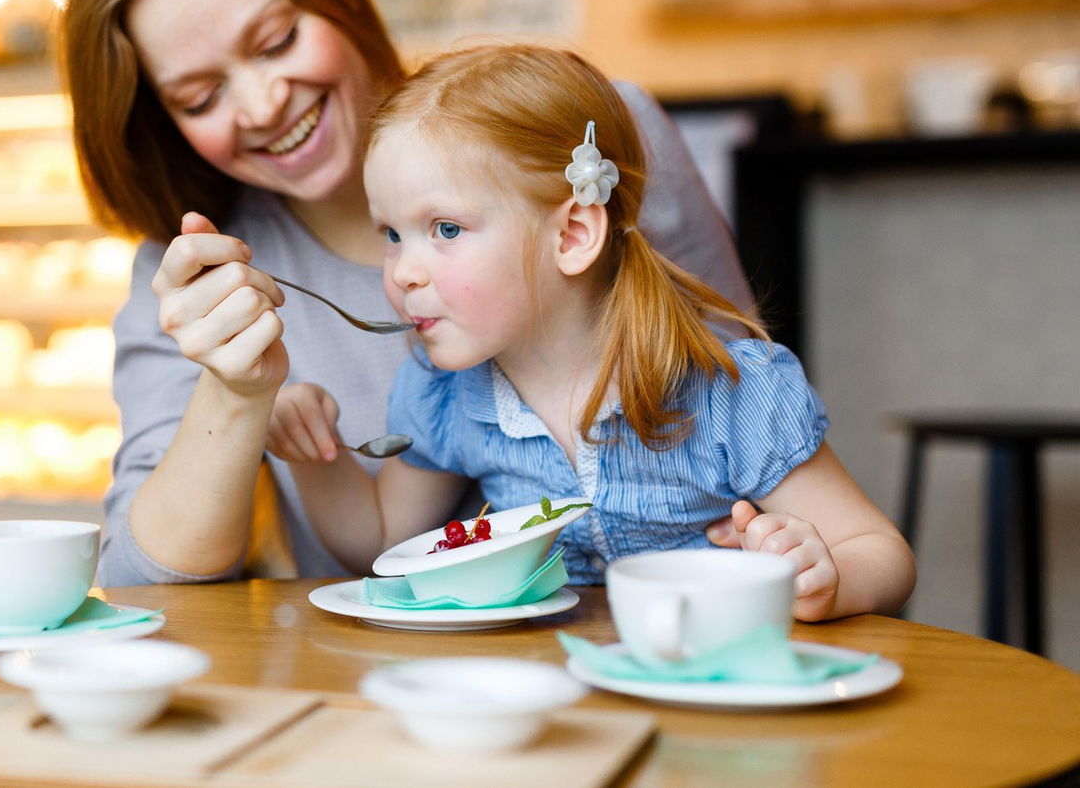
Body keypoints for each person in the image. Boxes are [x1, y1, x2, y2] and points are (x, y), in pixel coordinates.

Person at [61, 0, 756, 586]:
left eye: (277, 42)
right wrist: (235, 394)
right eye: (201, 98)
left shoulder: (591, 146)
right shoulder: (200, 276)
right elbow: (139, 582)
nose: (263, 105)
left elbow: (750, 408)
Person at [264, 44, 915, 620]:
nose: (403, 271)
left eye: (446, 229)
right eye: (391, 233)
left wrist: (822, 578)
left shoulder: (728, 391)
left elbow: (880, 553)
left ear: (573, 235)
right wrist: (311, 455)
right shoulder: (444, 394)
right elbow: (383, 542)